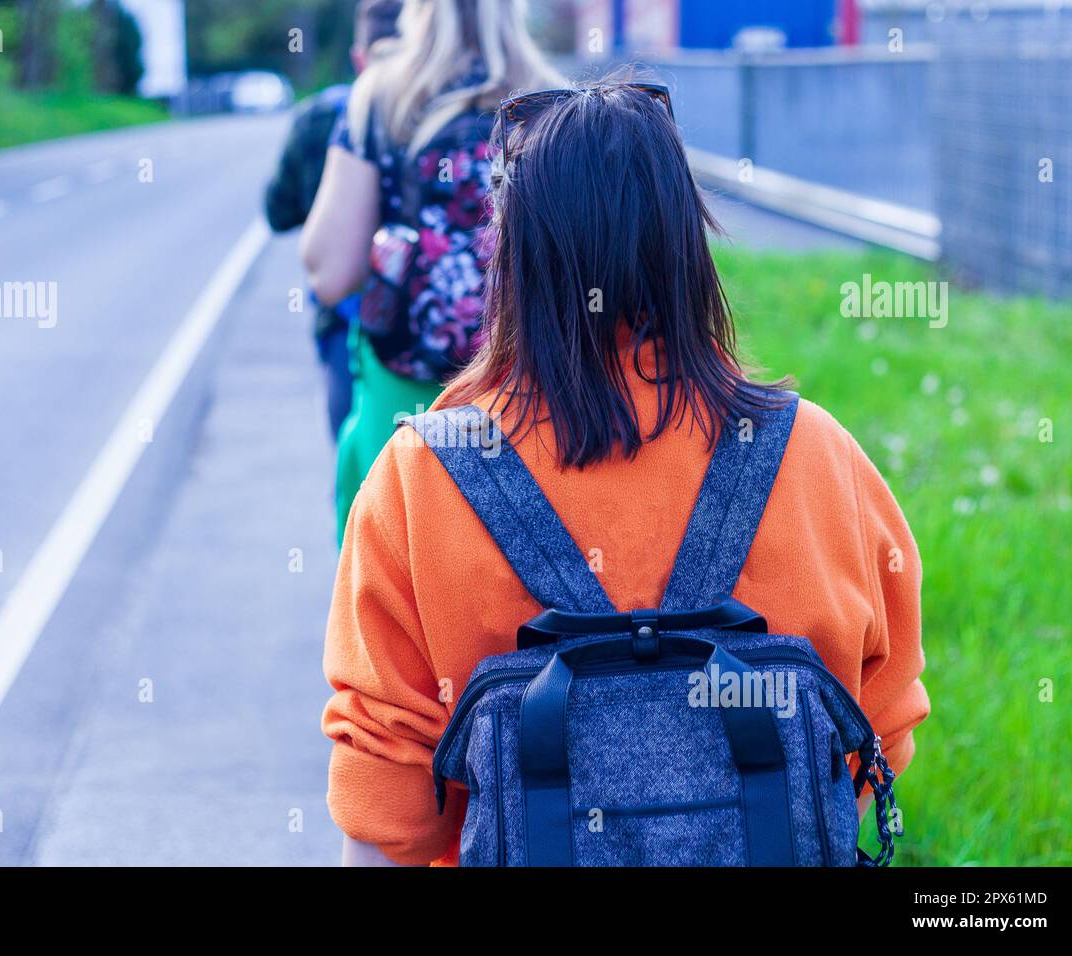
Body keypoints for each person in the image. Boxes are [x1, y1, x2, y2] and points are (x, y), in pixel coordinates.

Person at [321, 82, 930, 866]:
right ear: (688, 245)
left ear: (511, 252)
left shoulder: (419, 482)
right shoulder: (818, 459)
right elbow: (877, 732)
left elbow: (390, 816)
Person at [300, 0, 563, 541]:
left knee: (399, 561)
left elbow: (330, 271)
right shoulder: (552, 100)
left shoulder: (380, 97)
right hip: (532, 388)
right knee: (527, 566)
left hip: (408, 388)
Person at [264, 0, 403, 440]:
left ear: (359, 57)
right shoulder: (462, 113)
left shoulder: (322, 118)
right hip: (437, 340)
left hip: (346, 323)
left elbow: (278, 212)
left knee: (357, 471)